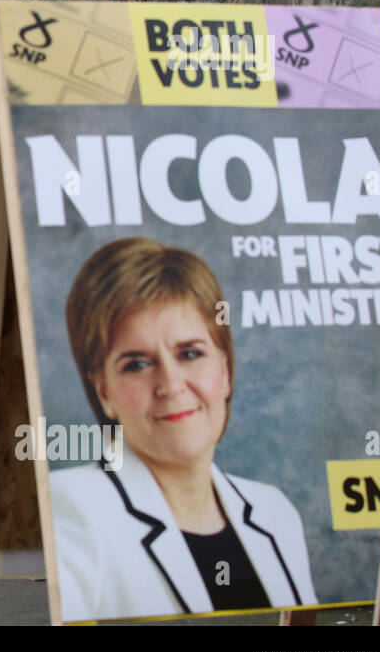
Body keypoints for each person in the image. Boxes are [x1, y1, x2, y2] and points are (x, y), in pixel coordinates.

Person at [49, 237, 317, 621]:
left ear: (224, 372)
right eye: (137, 364)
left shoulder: (274, 512)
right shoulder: (69, 508)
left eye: (190, 354)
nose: (171, 385)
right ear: (103, 390)